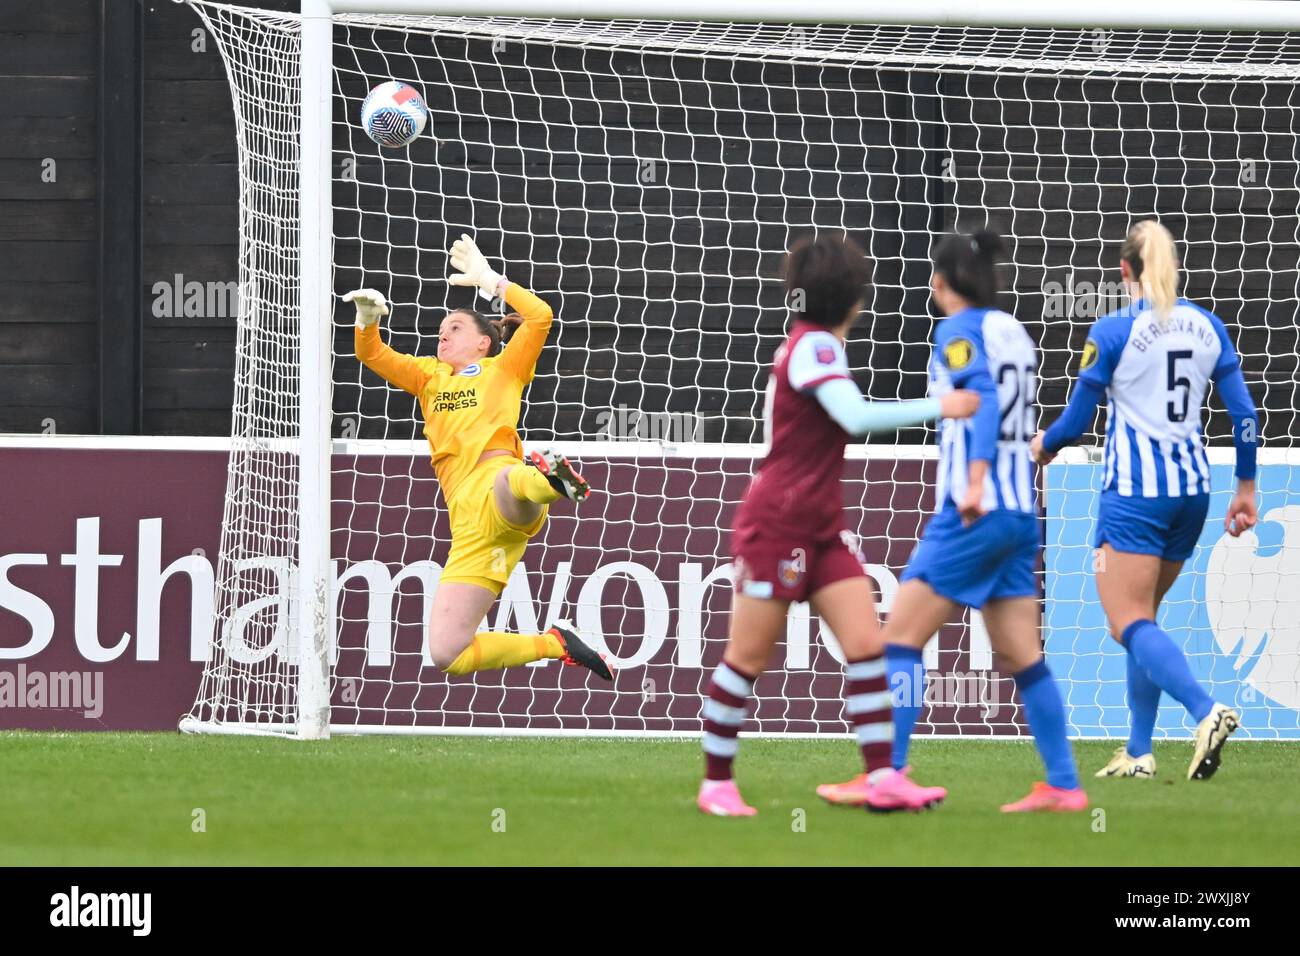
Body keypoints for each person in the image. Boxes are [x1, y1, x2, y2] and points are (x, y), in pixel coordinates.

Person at [698, 233, 980, 817]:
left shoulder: (812, 344)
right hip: (777, 524)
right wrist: (943, 406)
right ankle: (716, 783)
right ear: (853, 298)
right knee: (748, 658)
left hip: (820, 526)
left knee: (866, 647)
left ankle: (881, 777)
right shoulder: (816, 347)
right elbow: (853, 417)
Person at [822, 228, 1087, 813]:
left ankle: (885, 773)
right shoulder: (1014, 331)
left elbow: (984, 397)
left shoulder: (958, 331)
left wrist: (973, 480)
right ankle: (1065, 785)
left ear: (940, 282)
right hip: (1021, 511)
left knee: (898, 639)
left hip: (976, 509)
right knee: (1022, 656)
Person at [1032, 219, 1258, 781]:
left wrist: (1043, 444)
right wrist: (1247, 488)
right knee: (1144, 618)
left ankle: (1206, 711)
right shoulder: (1207, 326)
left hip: (1134, 497)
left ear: (1124, 270)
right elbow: (1247, 417)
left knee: (1125, 620)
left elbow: (1076, 423)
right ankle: (1137, 751)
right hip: (1192, 494)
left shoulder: (1111, 331)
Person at [347, 234, 612, 682]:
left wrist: (493, 282)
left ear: (483, 343)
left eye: (454, 328)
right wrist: (367, 320)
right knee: (447, 653)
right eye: (440, 331)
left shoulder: (504, 369)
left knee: (511, 482)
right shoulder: (428, 377)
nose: (443, 336)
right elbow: (371, 353)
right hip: (467, 525)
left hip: (496, 481)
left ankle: (548, 479)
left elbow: (540, 316)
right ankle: (556, 643)